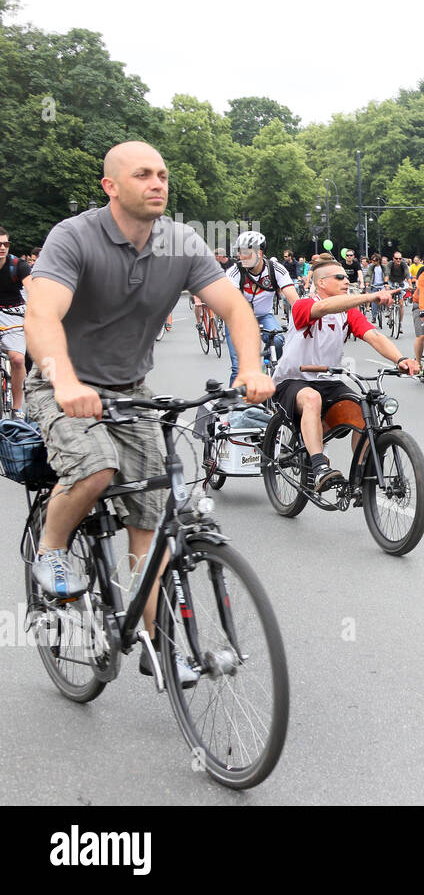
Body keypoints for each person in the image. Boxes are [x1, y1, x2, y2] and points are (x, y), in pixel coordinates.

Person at [24, 140, 273, 684]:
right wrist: (65, 379)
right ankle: (52, 548)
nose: (157, 183)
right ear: (111, 186)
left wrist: (250, 368)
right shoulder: (74, 237)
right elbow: (42, 314)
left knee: (150, 519)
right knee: (95, 469)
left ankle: (158, 644)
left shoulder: (181, 242)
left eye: (162, 174)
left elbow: (233, 307)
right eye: (142, 175)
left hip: (130, 389)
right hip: (61, 383)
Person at [273, 258, 418, 492]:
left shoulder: (347, 313)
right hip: (293, 380)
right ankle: (319, 466)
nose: (346, 281)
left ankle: (362, 477)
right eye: (339, 277)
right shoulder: (303, 305)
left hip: (328, 380)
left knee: (364, 411)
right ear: (321, 283)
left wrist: (400, 359)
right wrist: (370, 296)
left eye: (346, 277)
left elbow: (374, 336)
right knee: (312, 398)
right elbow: (324, 308)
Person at [225, 230, 299, 384]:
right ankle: (236, 406)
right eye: (239, 252)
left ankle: (268, 370)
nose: (240, 256)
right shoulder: (234, 271)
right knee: (239, 368)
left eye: (245, 252)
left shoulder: (275, 269)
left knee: (278, 340)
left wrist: (302, 322)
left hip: (264, 316)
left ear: (259, 252)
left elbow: (295, 300)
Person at [0, 226, 30, 416]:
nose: (2, 247)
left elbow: (33, 291)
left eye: (5, 243)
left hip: (14, 314)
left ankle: (17, 408)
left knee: (18, 359)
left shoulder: (18, 266)